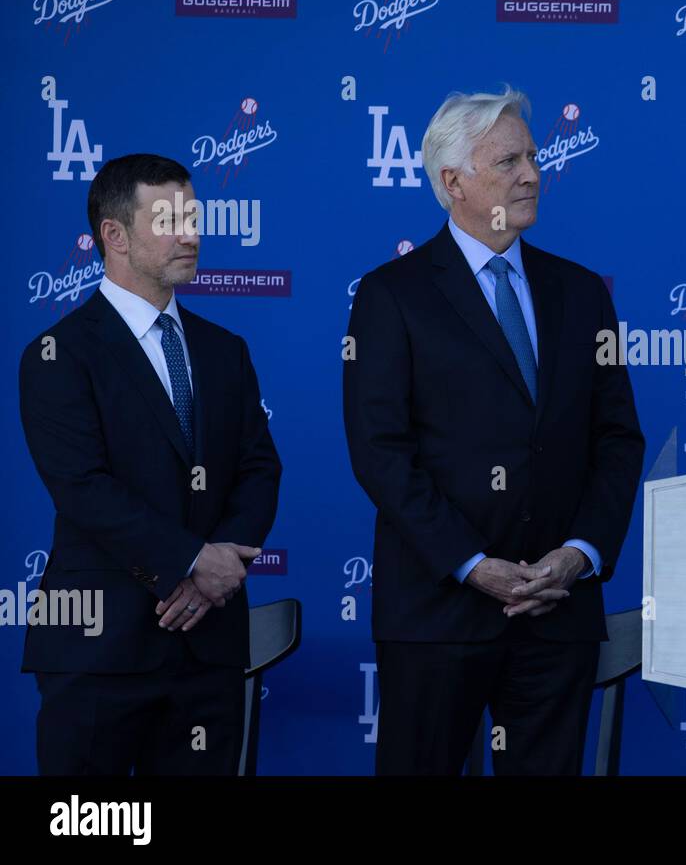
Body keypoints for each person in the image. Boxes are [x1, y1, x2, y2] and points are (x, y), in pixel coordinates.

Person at [343, 86, 644, 775]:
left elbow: (618, 440)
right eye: (508, 161)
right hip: (436, 615)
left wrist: (579, 552)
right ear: (453, 183)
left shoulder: (582, 292)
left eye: (533, 157)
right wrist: (473, 565)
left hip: (556, 610)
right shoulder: (392, 295)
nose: (533, 173)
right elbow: (380, 450)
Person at [18, 153, 281, 775]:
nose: (192, 233)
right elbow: (84, 489)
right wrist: (192, 563)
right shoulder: (58, 355)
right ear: (114, 236)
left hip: (208, 652)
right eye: (169, 218)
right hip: (99, 651)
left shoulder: (225, 351)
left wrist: (219, 565)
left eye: (194, 215)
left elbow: (259, 469)